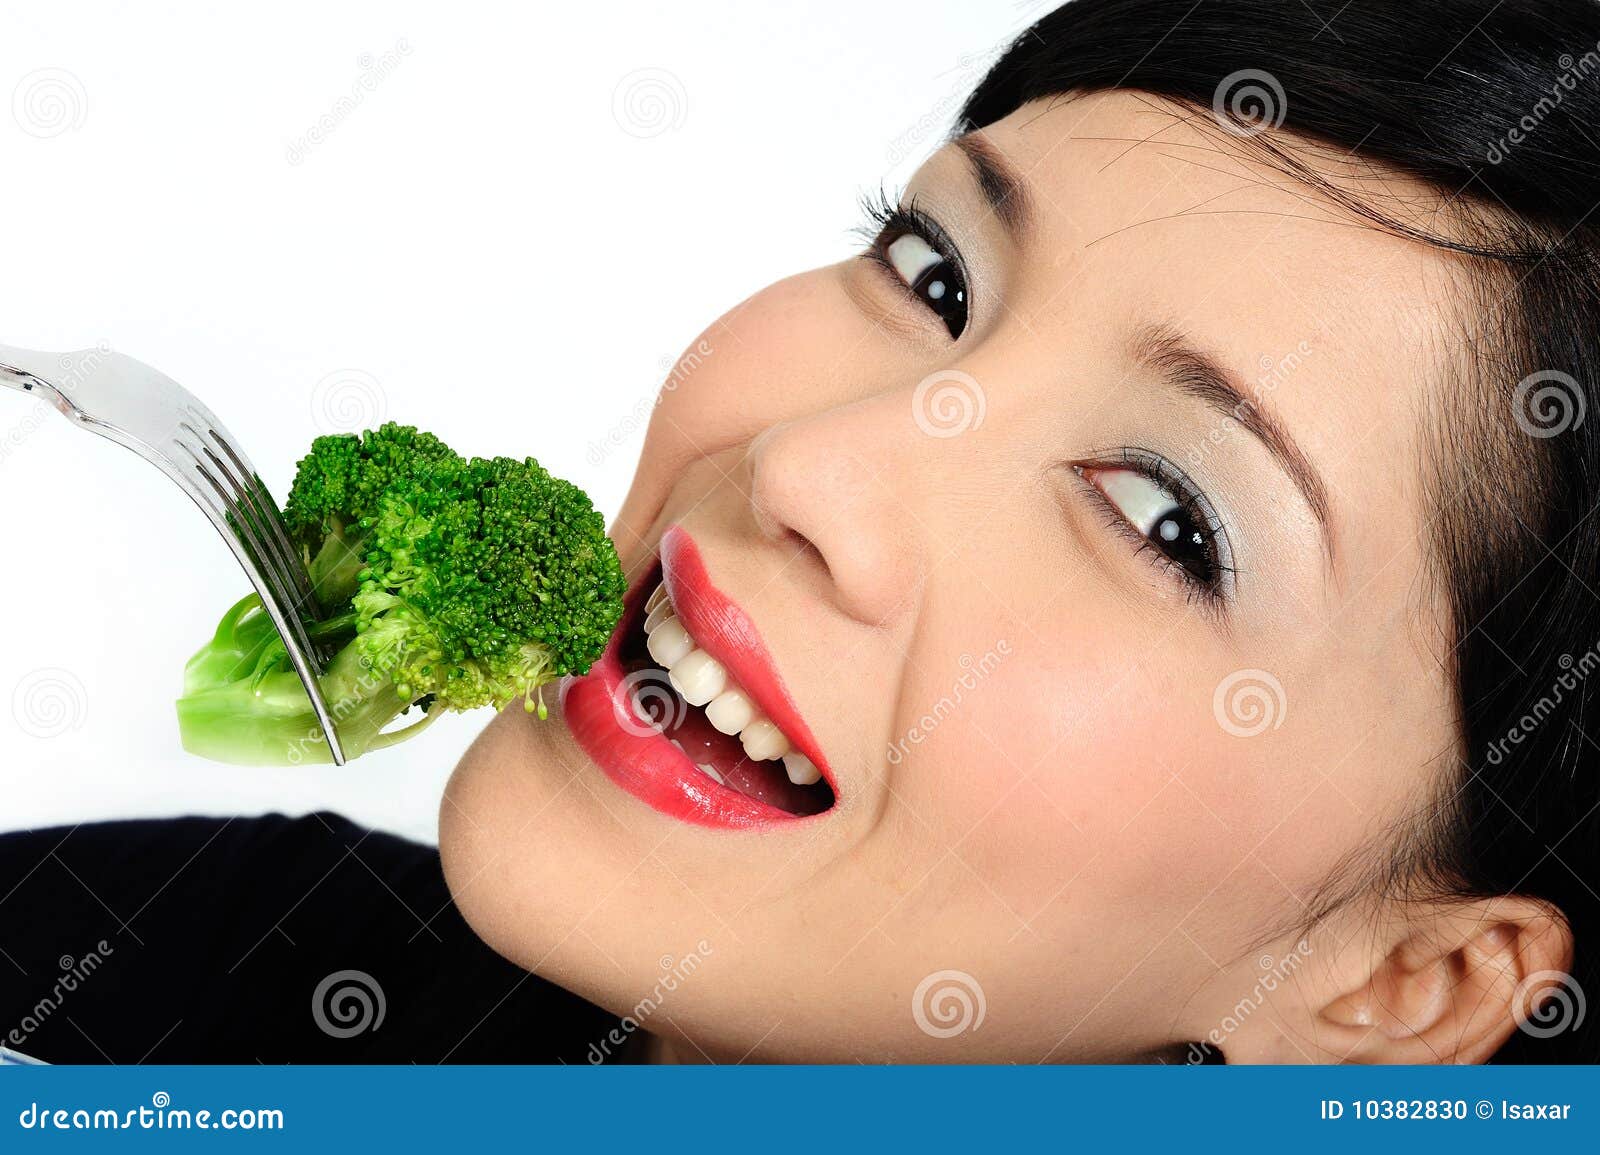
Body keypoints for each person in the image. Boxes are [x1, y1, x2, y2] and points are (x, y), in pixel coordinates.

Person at [4, 0, 1597, 1064]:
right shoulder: (144, 992)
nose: (808, 467)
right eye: (935, 276)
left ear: (1410, 988)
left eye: (1163, 518)